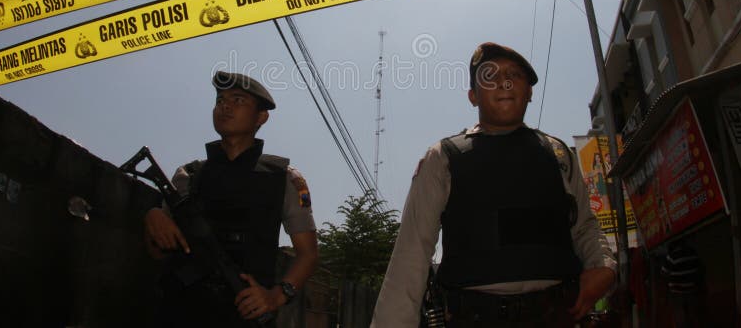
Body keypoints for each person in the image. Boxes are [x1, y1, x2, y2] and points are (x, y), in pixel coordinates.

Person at [371, 42, 616, 327]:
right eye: (489, 77)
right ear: (473, 96)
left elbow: (584, 226)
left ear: (530, 92)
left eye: (515, 75)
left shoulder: (558, 153)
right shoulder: (443, 158)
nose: (504, 82)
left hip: (558, 314)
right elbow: (411, 253)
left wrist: (605, 267)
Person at [144, 72, 318, 327]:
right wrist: (153, 219)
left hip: (244, 315)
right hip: (180, 310)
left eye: (238, 100)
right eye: (220, 100)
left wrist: (278, 295)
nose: (225, 106)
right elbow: (157, 253)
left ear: (261, 117)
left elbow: (308, 254)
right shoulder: (188, 176)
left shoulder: (285, 178)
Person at [660, 239, 705, 327]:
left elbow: (663, 273)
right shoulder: (692, 252)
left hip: (677, 294)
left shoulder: (672, 256)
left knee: (681, 320)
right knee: (695, 317)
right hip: (693, 291)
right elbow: (700, 269)